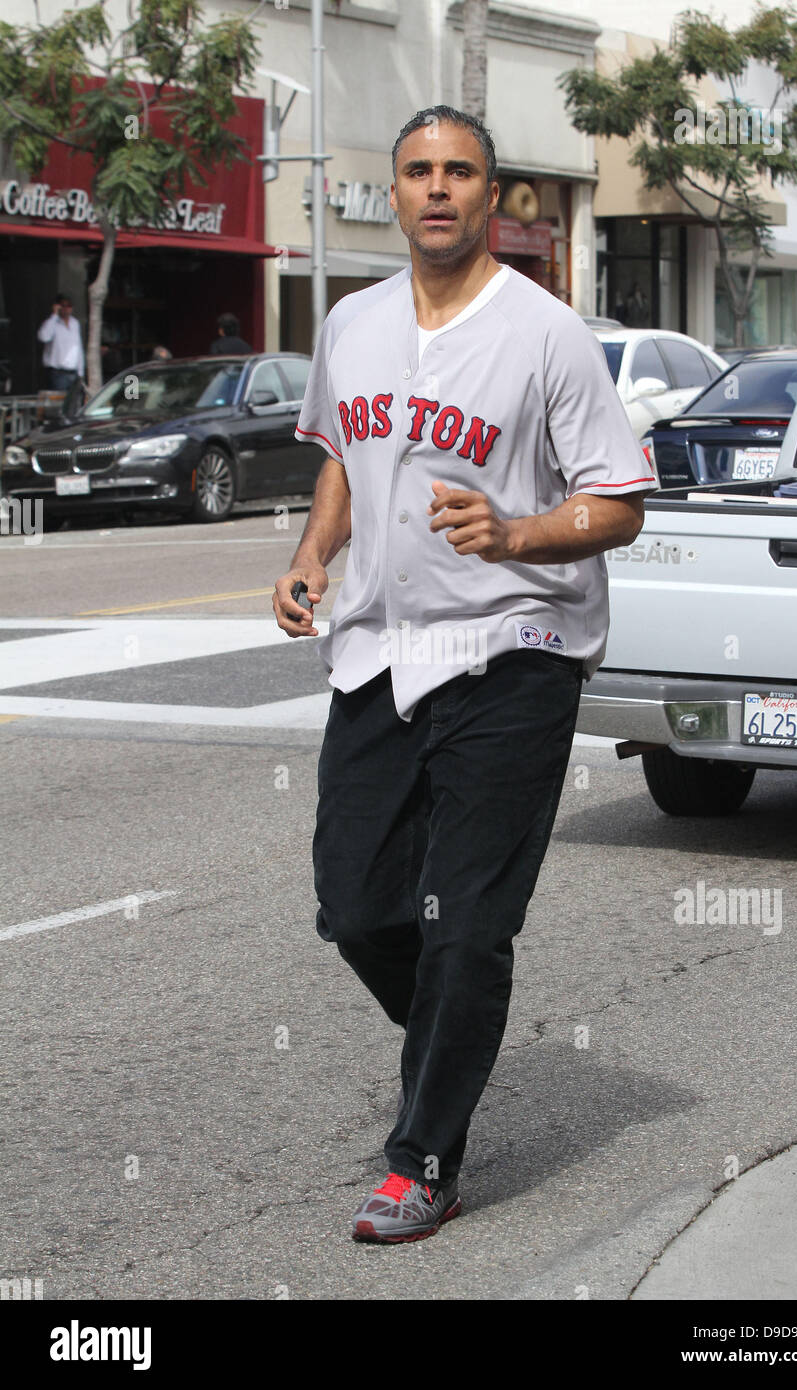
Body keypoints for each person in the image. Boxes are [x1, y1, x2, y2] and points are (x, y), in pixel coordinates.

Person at [272, 105, 659, 1244]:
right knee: (352, 906)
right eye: (417, 171)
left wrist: (518, 533)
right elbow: (348, 449)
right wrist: (310, 553)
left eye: (460, 172)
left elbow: (619, 505)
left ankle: (423, 1157)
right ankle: (456, 1029)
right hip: (379, 647)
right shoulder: (351, 324)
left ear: (493, 196)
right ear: (391, 192)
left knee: (464, 926)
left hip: (513, 651)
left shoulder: (545, 334)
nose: (437, 189)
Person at [37, 295, 85, 391]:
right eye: (63, 306)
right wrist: (54, 315)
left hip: (73, 372)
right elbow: (43, 337)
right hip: (58, 373)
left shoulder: (75, 323)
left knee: (74, 402)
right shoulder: (52, 323)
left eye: (69, 306)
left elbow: (78, 348)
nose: (66, 309)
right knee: (60, 401)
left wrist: (81, 372)